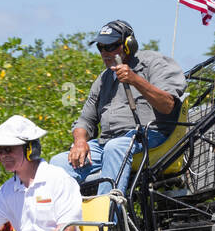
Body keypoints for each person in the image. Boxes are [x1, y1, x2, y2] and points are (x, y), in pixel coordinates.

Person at [50, 19, 187, 196]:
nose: (105, 53)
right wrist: (80, 141)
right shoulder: (103, 79)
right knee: (58, 163)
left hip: (148, 136)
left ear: (129, 45)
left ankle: (106, 218)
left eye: (111, 46)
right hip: (107, 144)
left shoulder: (155, 63)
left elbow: (168, 105)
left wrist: (135, 80)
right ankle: (67, 220)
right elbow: (85, 120)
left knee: (115, 147)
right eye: (101, 47)